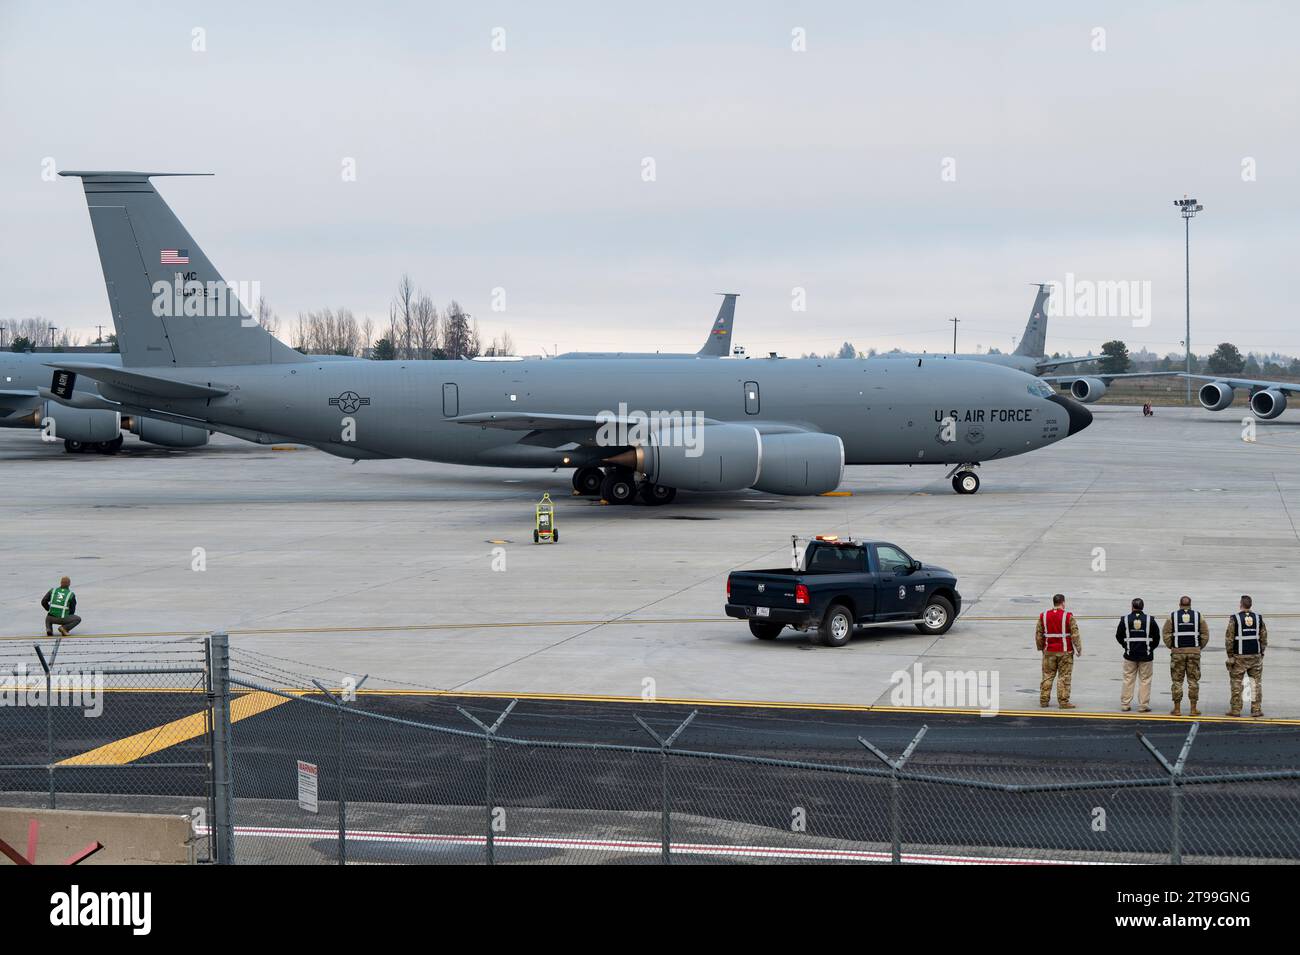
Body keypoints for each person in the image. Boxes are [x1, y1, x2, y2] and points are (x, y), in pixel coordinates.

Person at [1162, 595, 1209, 716]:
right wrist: (1198, 647)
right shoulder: (1199, 616)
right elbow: (1205, 634)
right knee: (1193, 681)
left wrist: (1172, 646)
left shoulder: (1172, 616)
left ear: (1179, 604)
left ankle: (1177, 709)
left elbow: (1166, 633)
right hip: (1194, 652)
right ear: (1190, 604)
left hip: (1178, 652)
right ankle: (1193, 709)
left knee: (1177, 681)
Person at [1036, 593, 1081, 709]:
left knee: (1047, 676)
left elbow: (1039, 634)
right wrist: (1078, 648)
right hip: (1065, 652)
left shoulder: (1043, 616)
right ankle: (1063, 701)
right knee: (1064, 676)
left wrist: (1041, 647)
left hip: (1048, 651)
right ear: (1063, 603)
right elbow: (1075, 634)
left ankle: (1044, 700)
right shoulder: (1068, 616)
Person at [1224, 595, 1266, 718]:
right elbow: (1263, 637)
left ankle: (1236, 710)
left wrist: (1230, 655)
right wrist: (1261, 652)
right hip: (1255, 656)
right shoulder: (1258, 618)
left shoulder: (1235, 618)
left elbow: (1229, 639)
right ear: (1250, 605)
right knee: (1255, 683)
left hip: (1239, 657)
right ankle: (1256, 709)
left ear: (1241, 604)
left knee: (1237, 683)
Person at [1114, 597, 1159, 712]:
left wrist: (1126, 646)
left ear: (1132, 606)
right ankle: (1143, 705)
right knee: (1145, 680)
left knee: (1128, 679)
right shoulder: (1150, 620)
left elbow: (1119, 636)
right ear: (1142, 607)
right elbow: (1157, 637)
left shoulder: (1125, 619)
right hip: (1146, 655)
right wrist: (1150, 648)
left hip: (1130, 654)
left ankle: (1125, 704)